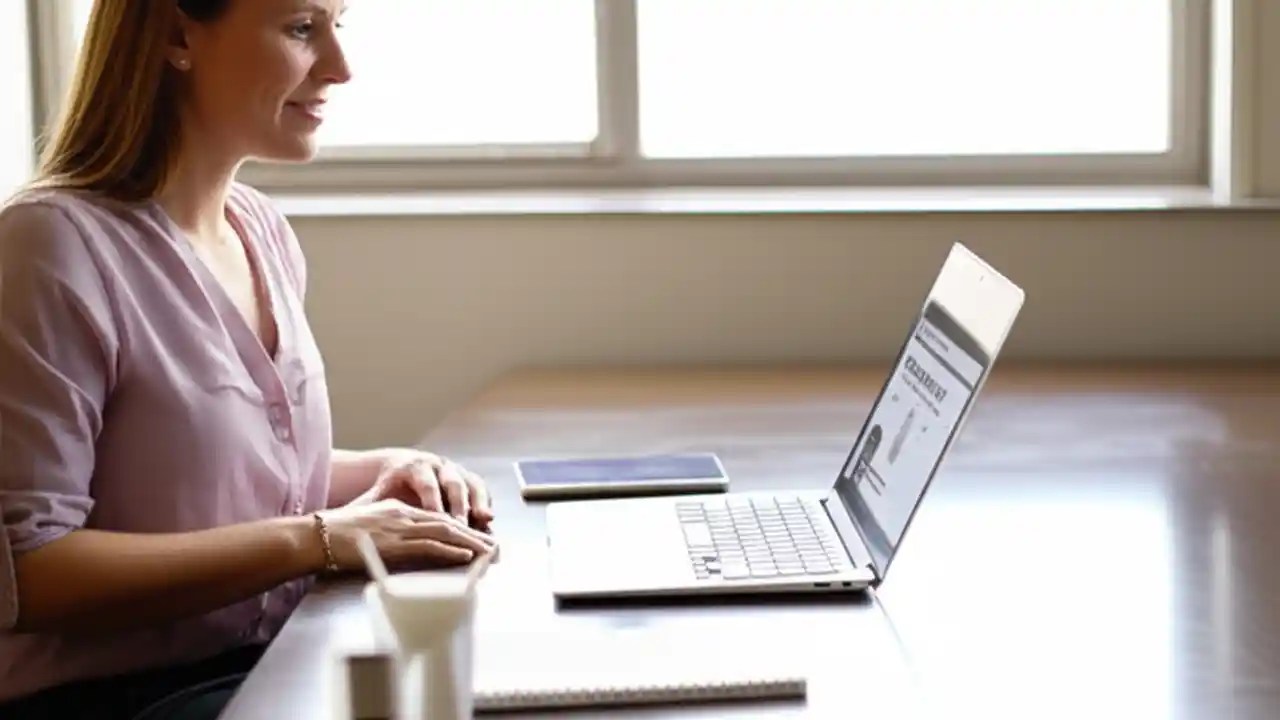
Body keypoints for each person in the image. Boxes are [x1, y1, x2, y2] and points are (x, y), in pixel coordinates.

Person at [0, 1, 498, 717]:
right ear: (175, 36)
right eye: (301, 29)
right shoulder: (50, 245)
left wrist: (384, 472)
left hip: (268, 658)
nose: (341, 66)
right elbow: (30, 570)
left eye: (338, 24)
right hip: (116, 698)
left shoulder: (259, 229)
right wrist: (322, 539)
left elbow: (215, 483)